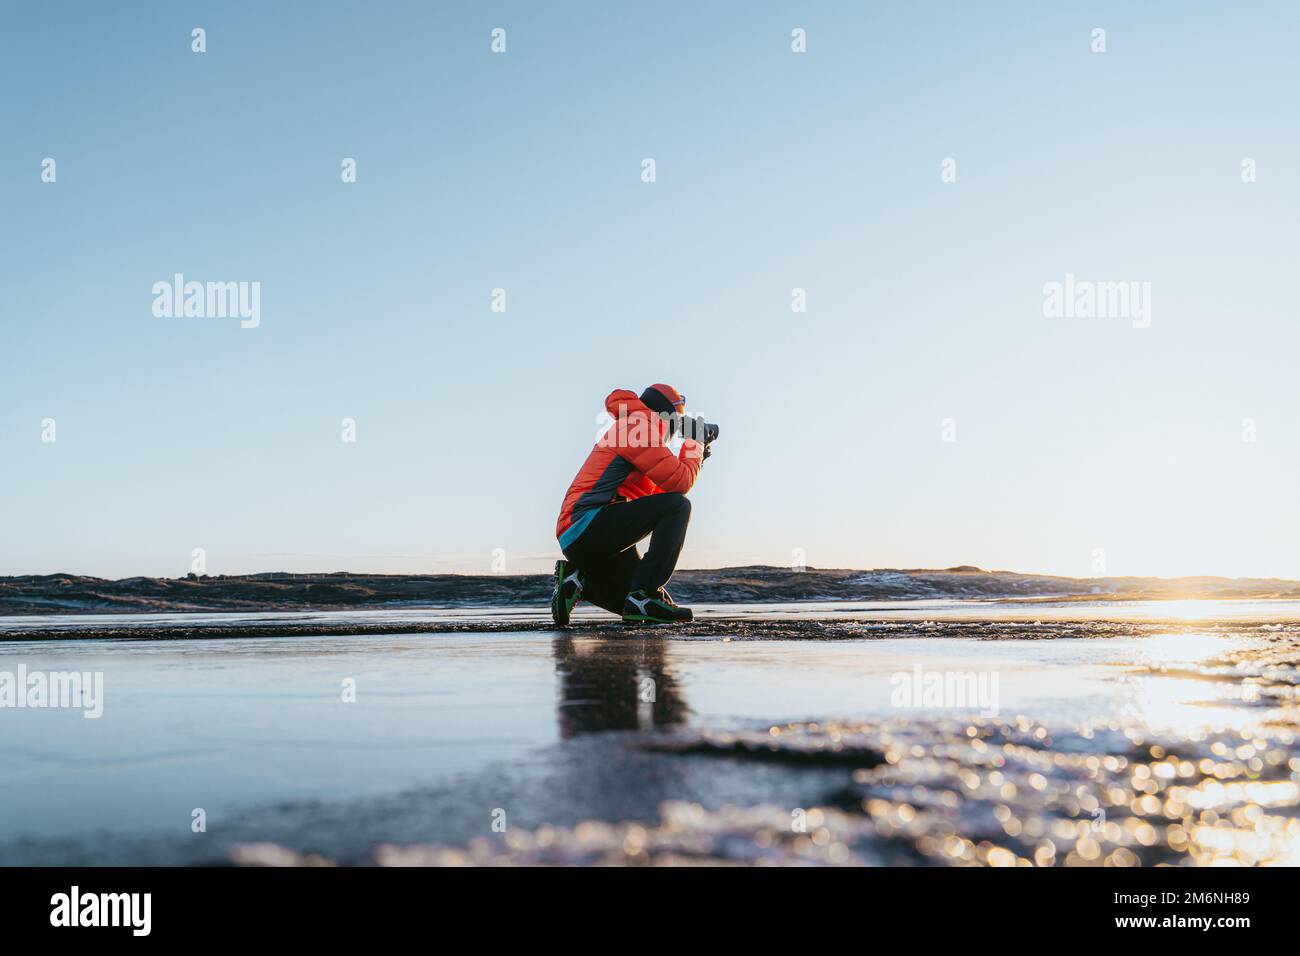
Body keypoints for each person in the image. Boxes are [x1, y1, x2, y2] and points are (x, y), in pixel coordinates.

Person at [551, 384, 712, 625]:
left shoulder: (636, 428)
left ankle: (578, 582)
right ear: (666, 415)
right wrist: (696, 442)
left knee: (643, 609)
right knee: (679, 507)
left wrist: (697, 456)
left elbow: (662, 493)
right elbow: (678, 488)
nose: (676, 430)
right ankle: (644, 596)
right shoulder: (637, 428)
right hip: (588, 526)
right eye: (677, 422)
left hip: (589, 533)